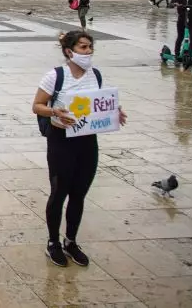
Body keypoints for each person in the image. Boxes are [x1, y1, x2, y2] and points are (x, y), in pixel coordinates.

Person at [32, 30, 126, 268]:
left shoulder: (95, 74)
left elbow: (98, 103)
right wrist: (55, 111)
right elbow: (37, 106)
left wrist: (115, 111)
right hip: (61, 140)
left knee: (79, 193)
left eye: (90, 47)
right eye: (83, 47)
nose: (88, 52)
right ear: (69, 51)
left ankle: (71, 240)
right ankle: (53, 241)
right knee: (59, 191)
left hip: (87, 140)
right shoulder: (55, 76)